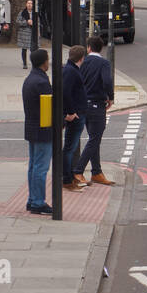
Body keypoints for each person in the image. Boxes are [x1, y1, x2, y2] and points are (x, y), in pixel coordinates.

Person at [75, 35, 115, 185]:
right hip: (97, 105)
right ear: (101, 48)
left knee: (94, 139)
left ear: (89, 48)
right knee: (95, 139)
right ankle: (78, 171)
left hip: (83, 105)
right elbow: (107, 81)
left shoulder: (83, 62)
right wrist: (110, 97)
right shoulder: (103, 63)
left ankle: (96, 172)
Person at [21, 48, 54, 215]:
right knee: (41, 168)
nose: (49, 62)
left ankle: (32, 199)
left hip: (32, 129)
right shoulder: (41, 82)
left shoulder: (29, 79)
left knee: (33, 166)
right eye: (48, 60)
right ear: (44, 62)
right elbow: (48, 107)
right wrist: (61, 121)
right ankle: (38, 202)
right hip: (43, 130)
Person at [61, 45, 89, 191]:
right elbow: (65, 92)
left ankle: (70, 176)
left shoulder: (71, 69)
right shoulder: (71, 71)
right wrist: (71, 112)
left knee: (70, 147)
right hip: (76, 114)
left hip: (78, 113)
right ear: (81, 58)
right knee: (69, 148)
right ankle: (67, 180)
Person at [16, 0, 35, 68]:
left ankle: (33, 63)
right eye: (28, 3)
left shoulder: (35, 13)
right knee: (24, 49)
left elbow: (39, 22)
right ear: (26, 4)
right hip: (24, 33)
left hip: (32, 32)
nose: (29, 5)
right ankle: (24, 63)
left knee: (33, 49)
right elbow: (18, 21)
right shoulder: (22, 12)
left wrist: (34, 23)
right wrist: (26, 22)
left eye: (31, 3)